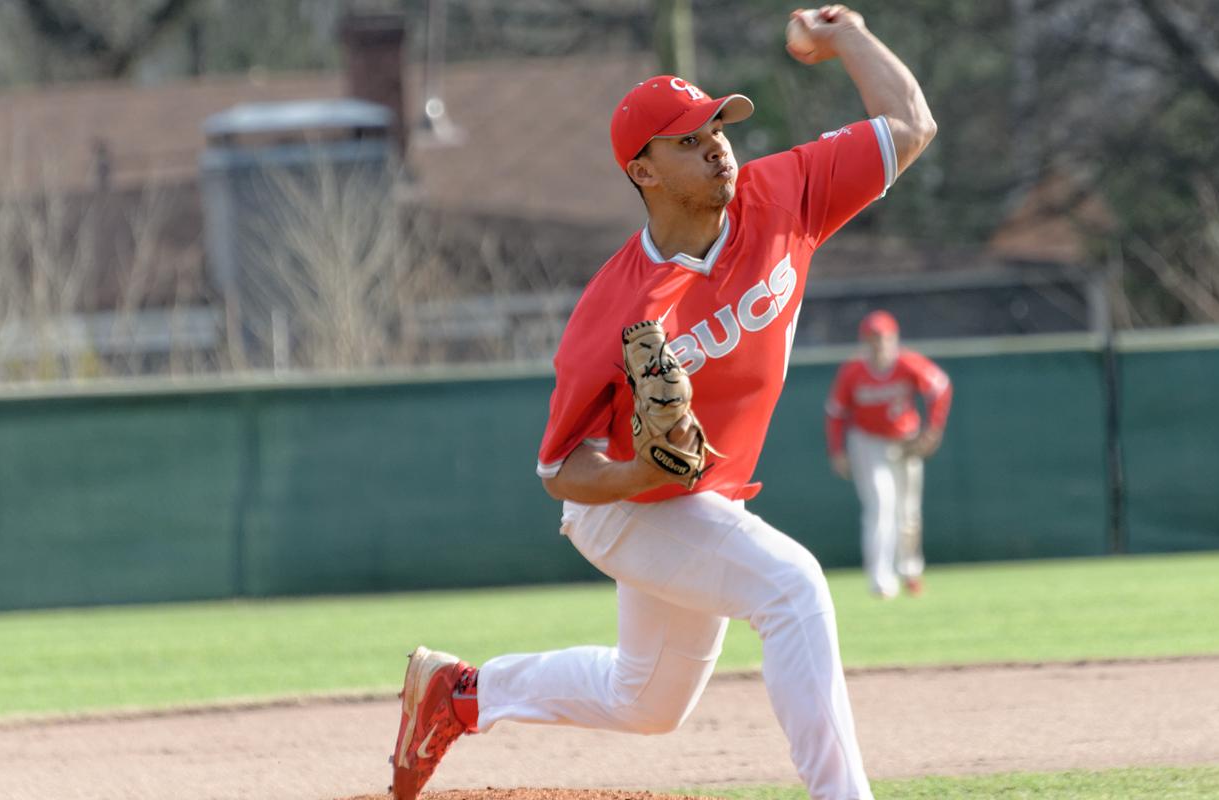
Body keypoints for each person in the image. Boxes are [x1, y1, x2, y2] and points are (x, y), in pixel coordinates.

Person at [384, 6, 934, 800]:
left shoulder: (783, 196)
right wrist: (640, 470)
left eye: (719, 126)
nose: (716, 143)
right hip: (623, 506)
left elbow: (910, 124)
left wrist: (843, 29)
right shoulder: (614, 309)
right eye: (688, 138)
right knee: (794, 587)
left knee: (644, 704)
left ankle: (460, 695)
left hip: (701, 498)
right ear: (643, 171)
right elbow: (559, 471)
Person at [825, 310, 951, 599]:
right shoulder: (853, 371)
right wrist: (837, 450)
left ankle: (910, 570)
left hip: (905, 441)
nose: (878, 344)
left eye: (883, 338)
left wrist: (933, 430)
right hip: (867, 443)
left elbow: (940, 387)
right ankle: (881, 579)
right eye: (872, 338)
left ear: (894, 338)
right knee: (881, 506)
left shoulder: (907, 363)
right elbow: (835, 413)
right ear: (864, 341)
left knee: (908, 510)